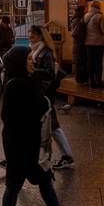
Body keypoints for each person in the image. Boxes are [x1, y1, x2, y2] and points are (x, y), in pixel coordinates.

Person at [0, 46, 85, 206]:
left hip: (27, 145)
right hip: (22, 147)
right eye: (28, 59)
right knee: (15, 187)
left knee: (42, 180)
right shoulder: (18, 85)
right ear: (20, 63)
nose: (32, 62)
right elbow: (34, 109)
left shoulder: (21, 82)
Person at [28, 24, 74, 168]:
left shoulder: (44, 53)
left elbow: (48, 75)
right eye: (30, 34)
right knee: (51, 126)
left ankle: (67, 156)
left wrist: (33, 73)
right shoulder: (38, 51)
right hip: (42, 95)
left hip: (43, 96)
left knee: (51, 126)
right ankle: (66, 155)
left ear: (40, 36)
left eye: (32, 34)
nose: (30, 36)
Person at [82, 0, 104, 87]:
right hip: (98, 43)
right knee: (98, 63)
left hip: (88, 43)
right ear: (98, 7)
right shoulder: (100, 16)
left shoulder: (86, 15)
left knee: (90, 62)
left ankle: (91, 82)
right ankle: (98, 82)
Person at [69, 4, 87, 84]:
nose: (86, 11)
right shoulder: (79, 20)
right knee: (80, 61)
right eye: (85, 10)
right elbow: (77, 33)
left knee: (78, 61)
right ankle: (80, 79)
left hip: (76, 43)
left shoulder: (75, 19)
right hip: (79, 43)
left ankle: (78, 78)